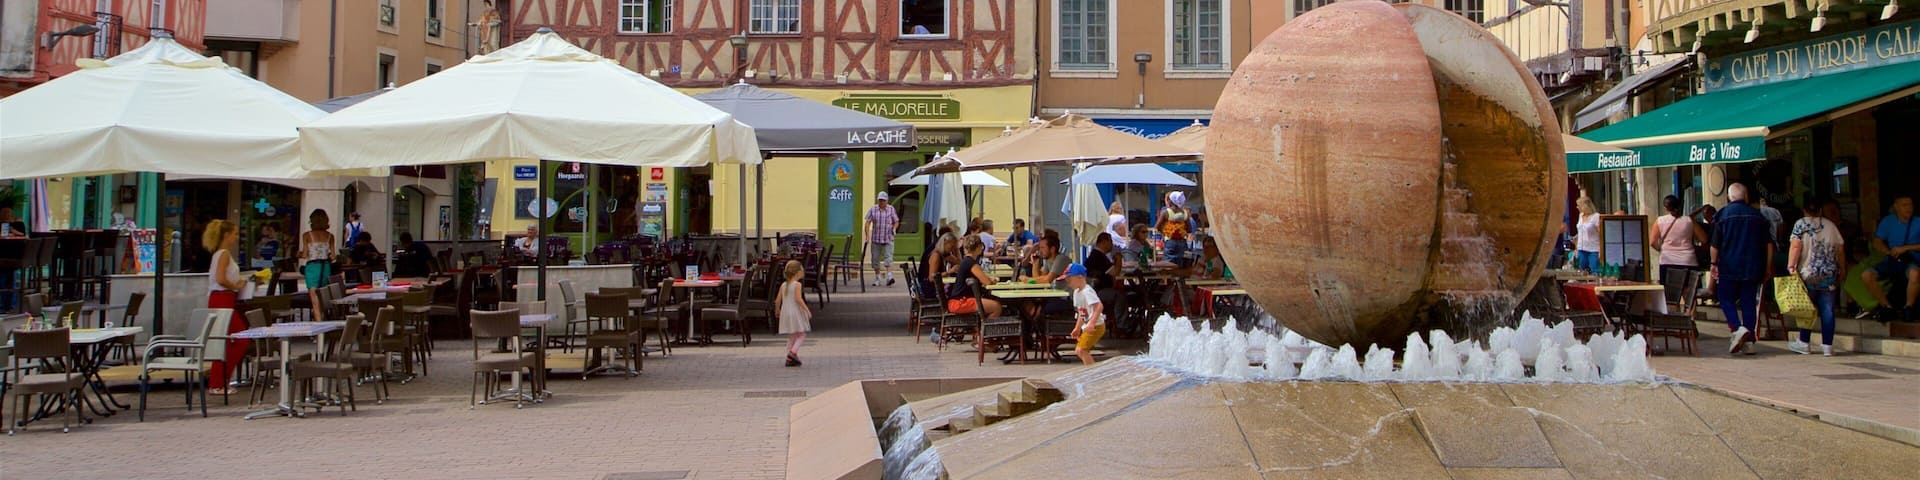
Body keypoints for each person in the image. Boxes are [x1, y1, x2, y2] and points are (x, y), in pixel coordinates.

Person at [1713, 183, 1776, 355]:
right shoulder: (1758, 216)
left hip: (1729, 265)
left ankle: (1736, 328)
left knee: (1725, 298)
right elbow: (1769, 245)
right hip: (1753, 266)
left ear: (1729, 197)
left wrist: (1713, 264)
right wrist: (1768, 267)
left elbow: (1715, 245)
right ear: (1746, 196)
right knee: (1748, 303)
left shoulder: (1722, 215)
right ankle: (1749, 343)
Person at [1788, 197, 1846, 356]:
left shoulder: (1800, 224)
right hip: (1829, 276)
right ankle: (1827, 346)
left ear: (1804, 210)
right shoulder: (1830, 225)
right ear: (1820, 210)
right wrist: (1843, 269)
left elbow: (1795, 246)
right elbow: (1840, 249)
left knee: (1807, 309)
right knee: (1828, 310)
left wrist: (1791, 266)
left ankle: (1804, 342)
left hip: (1807, 275)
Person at [202, 220, 252, 395]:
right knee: (238, 339)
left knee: (226, 340)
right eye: (235, 233)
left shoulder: (221, 254)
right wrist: (236, 286)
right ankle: (218, 381)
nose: (237, 237)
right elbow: (220, 278)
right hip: (223, 298)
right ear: (226, 235)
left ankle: (220, 379)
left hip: (224, 298)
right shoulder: (223, 254)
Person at [1862, 196, 1919, 321]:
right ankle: (1886, 307)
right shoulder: (1888, 221)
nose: (1908, 208)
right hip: (1893, 259)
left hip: (1912, 260)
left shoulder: (1917, 222)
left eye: (1910, 205)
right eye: (1904, 205)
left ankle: (1908, 308)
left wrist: (1906, 248)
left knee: (1915, 274)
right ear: (1896, 207)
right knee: (1867, 275)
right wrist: (1888, 252)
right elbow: (1877, 241)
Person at [946, 236, 1002, 318]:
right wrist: (991, 281)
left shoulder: (966, 261)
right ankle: (987, 329)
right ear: (979, 247)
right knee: (996, 307)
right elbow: (986, 282)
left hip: (957, 301)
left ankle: (982, 327)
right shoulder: (971, 263)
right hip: (961, 302)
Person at [1652, 195, 1707, 271]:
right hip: (1688, 261)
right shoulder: (1689, 221)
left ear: (1665, 208)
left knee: (1668, 283)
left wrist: (1662, 250)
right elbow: (1704, 239)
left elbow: (1652, 242)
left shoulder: (1659, 221)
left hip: (1667, 261)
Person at [1065, 264, 1105, 365]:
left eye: (1069, 279)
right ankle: (1091, 370)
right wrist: (1077, 328)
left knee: (1081, 350)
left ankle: (1092, 372)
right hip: (1088, 326)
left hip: (1096, 326)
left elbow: (1099, 306)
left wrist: (1091, 323)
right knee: (1081, 350)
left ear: (1080, 277)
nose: (1068, 283)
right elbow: (1081, 312)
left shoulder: (1087, 291)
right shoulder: (1076, 292)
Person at [775, 260, 812, 367]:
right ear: (797, 272)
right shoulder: (797, 285)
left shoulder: (783, 285)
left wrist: (777, 310)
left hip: (785, 312)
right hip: (795, 312)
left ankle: (788, 358)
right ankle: (793, 352)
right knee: (802, 334)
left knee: (792, 336)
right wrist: (807, 310)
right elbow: (798, 299)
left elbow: (777, 300)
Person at [864, 192, 901, 287]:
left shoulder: (891, 209)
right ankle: (877, 277)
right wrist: (867, 235)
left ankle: (889, 276)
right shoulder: (873, 209)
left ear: (887, 201)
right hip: (876, 238)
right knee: (875, 258)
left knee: (889, 257)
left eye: (883, 200)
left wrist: (894, 228)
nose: (881, 202)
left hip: (888, 237)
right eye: (880, 200)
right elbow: (867, 222)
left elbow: (896, 221)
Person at [1156, 192, 1193, 265]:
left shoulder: (1166, 213)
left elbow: (1157, 227)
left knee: (1168, 263)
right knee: (1181, 263)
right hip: (1182, 242)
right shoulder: (1185, 213)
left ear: (1171, 200)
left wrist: (1165, 232)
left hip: (1170, 241)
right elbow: (1189, 230)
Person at [1574, 195, 1602, 273]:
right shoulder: (1581, 215)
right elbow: (1579, 233)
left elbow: (1601, 233)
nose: (1577, 207)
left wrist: (1601, 249)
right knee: (1582, 270)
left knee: (1594, 269)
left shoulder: (1596, 216)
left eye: (1579, 206)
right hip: (1581, 248)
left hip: (1593, 248)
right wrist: (1576, 248)